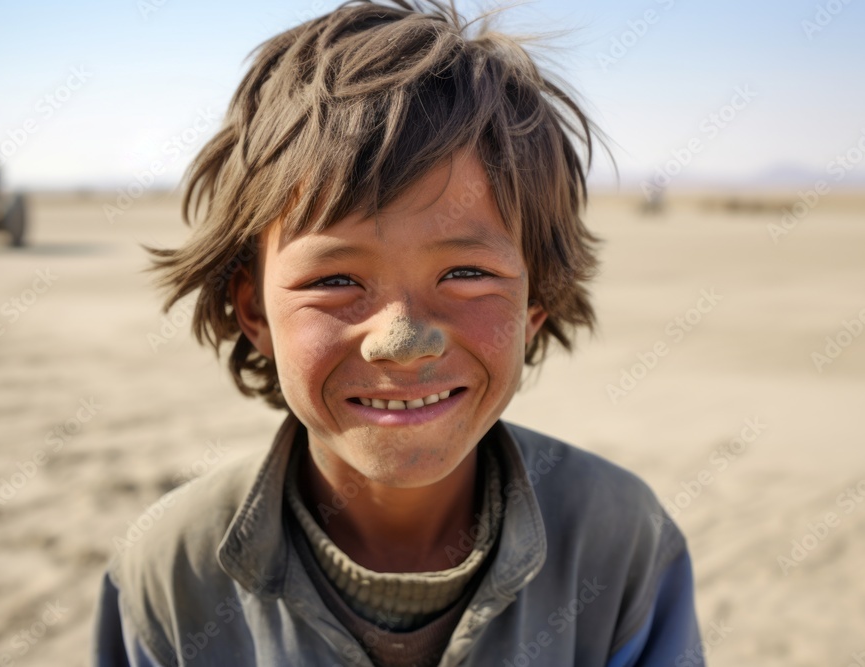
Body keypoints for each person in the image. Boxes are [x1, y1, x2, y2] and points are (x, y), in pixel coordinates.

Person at [91, 2, 703, 665]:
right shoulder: (169, 576)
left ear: (537, 303)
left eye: (466, 273)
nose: (404, 340)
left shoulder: (620, 545)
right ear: (254, 311)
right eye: (335, 279)